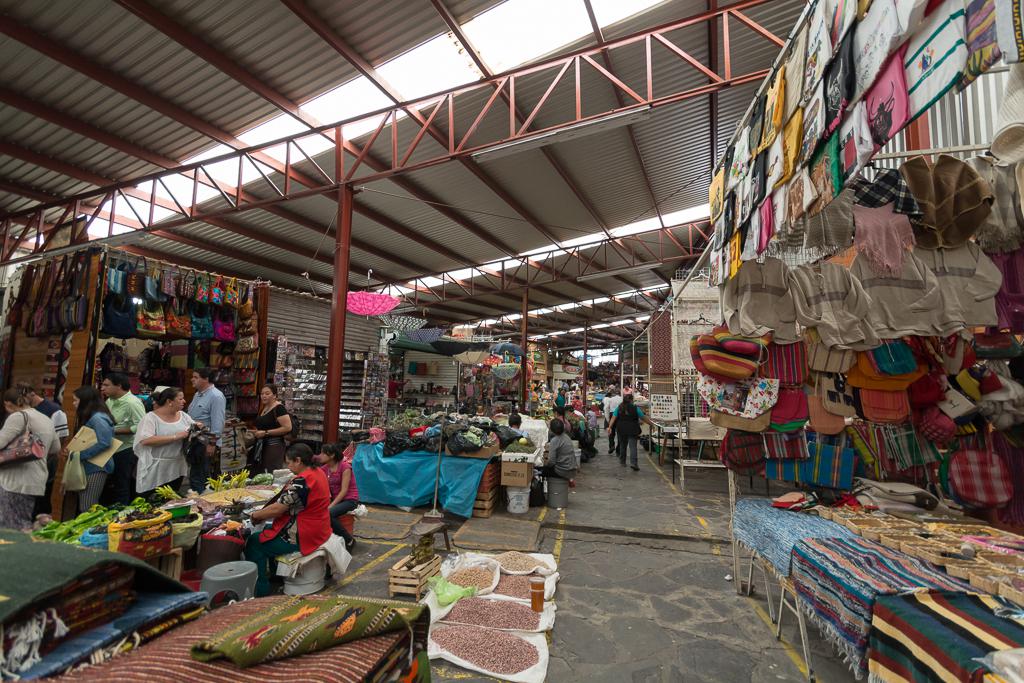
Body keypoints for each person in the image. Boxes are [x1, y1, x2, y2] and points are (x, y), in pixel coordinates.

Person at [246, 443, 331, 597]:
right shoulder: (318, 472)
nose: (289, 466)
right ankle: (276, 575)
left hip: (304, 534)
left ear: (298, 460)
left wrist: (255, 515)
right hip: (320, 527)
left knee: (254, 542)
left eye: (289, 462)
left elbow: (279, 508)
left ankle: (260, 589)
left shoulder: (303, 481)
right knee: (267, 531)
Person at [0, 387, 59, 529]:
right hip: (36, 480)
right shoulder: (45, 418)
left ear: (8, 403)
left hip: (15, 480)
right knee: (22, 521)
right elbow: (55, 448)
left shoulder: (18, 416)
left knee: (12, 527)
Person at [134, 387, 193, 497]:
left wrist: (198, 428)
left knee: (171, 499)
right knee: (152, 500)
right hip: (155, 468)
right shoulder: (150, 418)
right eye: (180, 399)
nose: (184, 401)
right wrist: (175, 436)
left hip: (176, 466)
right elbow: (145, 440)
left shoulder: (183, 416)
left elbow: (192, 427)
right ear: (169, 402)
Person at [19, 383, 68, 517]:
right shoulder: (26, 410)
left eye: (23, 397)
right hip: (27, 459)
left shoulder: (54, 411)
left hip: (47, 458)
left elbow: (61, 437)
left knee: (43, 495)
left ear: (32, 393)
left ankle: (41, 523)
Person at [101, 373, 146, 505]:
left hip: (125, 449)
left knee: (122, 483)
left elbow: (140, 427)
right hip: (110, 447)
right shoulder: (109, 401)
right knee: (110, 483)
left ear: (119, 386)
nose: (103, 388)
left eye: (106, 385)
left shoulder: (132, 403)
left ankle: (122, 515)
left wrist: (113, 430)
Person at [71, 386, 116, 512]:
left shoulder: (98, 418)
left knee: (88, 507)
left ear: (85, 401)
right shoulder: (96, 416)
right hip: (92, 466)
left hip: (96, 467)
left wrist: (80, 454)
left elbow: (104, 442)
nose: (74, 404)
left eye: (75, 400)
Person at [187, 368, 225, 493]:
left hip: (206, 443)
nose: (192, 379)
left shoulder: (216, 396)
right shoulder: (197, 394)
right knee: (195, 475)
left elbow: (217, 422)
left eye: (196, 377)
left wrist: (212, 444)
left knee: (203, 477)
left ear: (206, 379)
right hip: (195, 441)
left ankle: (203, 504)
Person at [320, 442, 358, 550]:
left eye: (323, 453)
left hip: (349, 499)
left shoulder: (345, 467)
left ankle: (349, 540)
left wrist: (331, 505)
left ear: (331, 455)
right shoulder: (324, 469)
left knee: (328, 513)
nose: (320, 455)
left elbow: (344, 491)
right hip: (335, 499)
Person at [607, 390, 654, 472]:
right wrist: (651, 424)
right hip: (633, 429)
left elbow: (613, 418)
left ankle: (622, 461)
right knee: (633, 447)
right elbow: (643, 417)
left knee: (622, 445)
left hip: (621, 429)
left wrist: (610, 427)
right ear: (631, 400)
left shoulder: (619, 407)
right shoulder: (635, 408)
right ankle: (634, 463)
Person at [251, 384, 292, 474]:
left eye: (267, 393)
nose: (264, 396)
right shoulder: (264, 408)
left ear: (274, 395)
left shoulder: (279, 408)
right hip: (262, 445)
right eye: (262, 394)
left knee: (270, 472)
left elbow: (288, 427)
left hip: (274, 446)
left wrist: (266, 433)